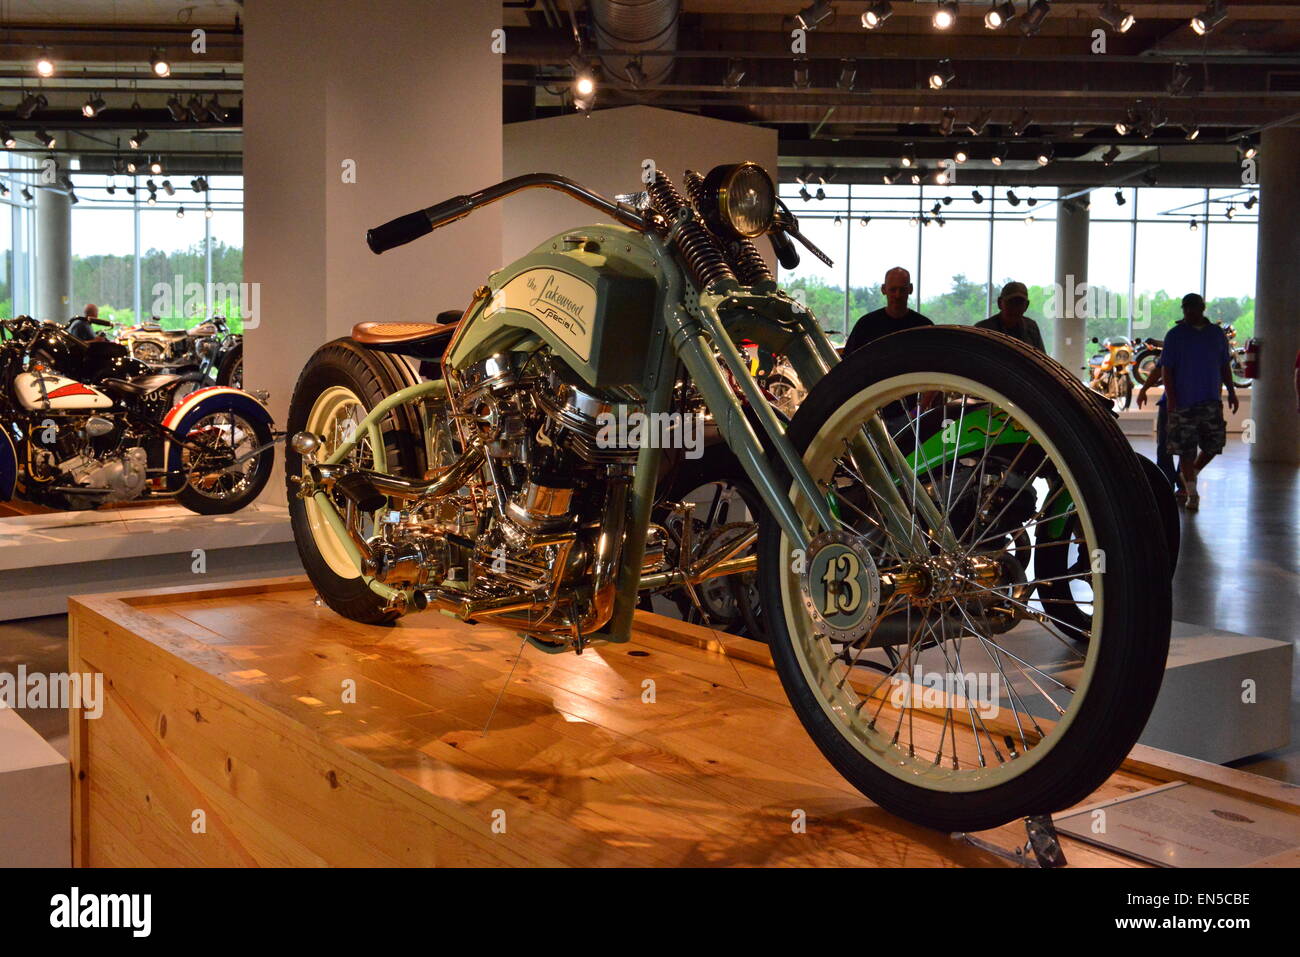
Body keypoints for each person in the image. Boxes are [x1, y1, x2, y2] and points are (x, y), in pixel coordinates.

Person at [1159, 293, 1238, 512]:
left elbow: (1224, 366)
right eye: (1186, 309)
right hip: (1184, 402)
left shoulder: (1216, 334)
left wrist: (1231, 392)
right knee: (1185, 448)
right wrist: (1172, 400)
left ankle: (1190, 474)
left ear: (1202, 308)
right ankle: (1192, 493)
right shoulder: (1175, 335)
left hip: (1210, 400)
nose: (1189, 312)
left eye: (1193, 308)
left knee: (1214, 444)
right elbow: (1166, 370)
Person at [844, 266, 932, 354]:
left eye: (902, 290)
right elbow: (848, 362)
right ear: (883, 289)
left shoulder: (925, 327)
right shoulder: (865, 325)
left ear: (911, 289)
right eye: (893, 290)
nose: (897, 295)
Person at [975, 281, 1046, 352]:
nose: (1014, 309)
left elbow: (1042, 359)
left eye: (1019, 303)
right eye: (1010, 302)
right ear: (999, 303)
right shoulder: (983, 330)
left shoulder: (1031, 328)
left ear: (1026, 306)